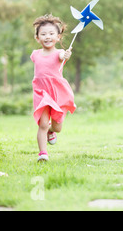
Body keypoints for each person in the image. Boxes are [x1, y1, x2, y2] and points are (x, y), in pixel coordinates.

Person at [31, 14, 76, 162]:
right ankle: (43, 153)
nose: (47, 37)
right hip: (41, 93)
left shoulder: (59, 54)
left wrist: (66, 55)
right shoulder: (35, 54)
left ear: (58, 37)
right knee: (42, 124)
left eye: (51, 34)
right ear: (37, 38)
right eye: (43, 34)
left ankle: (52, 131)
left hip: (57, 93)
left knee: (57, 127)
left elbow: (63, 56)